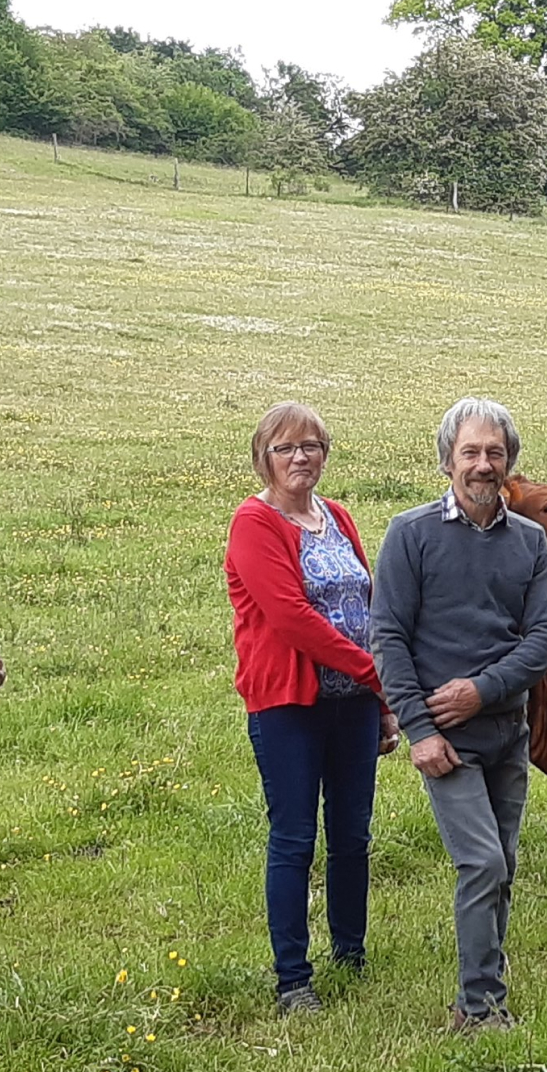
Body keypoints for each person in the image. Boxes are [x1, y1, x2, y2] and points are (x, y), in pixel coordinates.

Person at [371, 397, 547, 1033]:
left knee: (501, 869)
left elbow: (544, 638)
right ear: (447, 461)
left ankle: (476, 998)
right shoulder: (411, 534)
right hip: (446, 744)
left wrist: (483, 690)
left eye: (495, 454)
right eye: (471, 453)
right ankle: (482, 1007)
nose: (483, 465)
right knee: (481, 864)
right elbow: (388, 636)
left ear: (510, 464)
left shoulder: (530, 541)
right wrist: (419, 731)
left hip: (508, 731)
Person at [224, 401, 400, 1016]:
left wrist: (381, 703)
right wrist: (378, 671)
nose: (300, 457)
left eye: (311, 446)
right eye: (285, 448)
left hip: (353, 707)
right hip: (288, 706)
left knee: (352, 837)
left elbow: (373, 610)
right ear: (263, 458)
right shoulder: (254, 523)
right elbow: (291, 618)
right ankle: (292, 980)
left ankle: (350, 955)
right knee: (295, 838)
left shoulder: (339, 516)